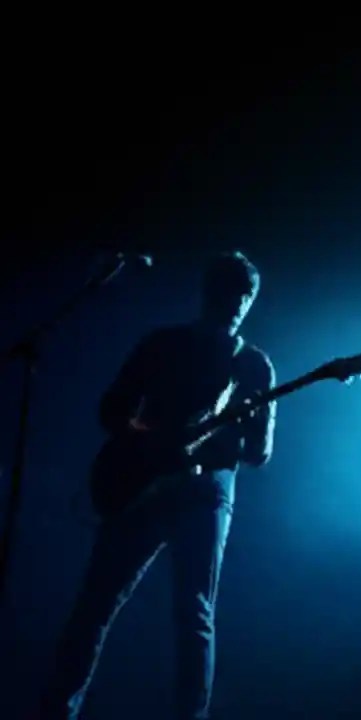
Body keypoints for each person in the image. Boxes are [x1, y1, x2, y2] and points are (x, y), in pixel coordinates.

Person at [38, 251, 276, 719]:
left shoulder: (253, 366)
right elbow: (111, 410)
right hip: (141, 487)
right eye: (230, 291)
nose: (238, 302)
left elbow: (257, 454)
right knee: (95, 606)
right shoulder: (163, 344)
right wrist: (151, 442)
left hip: (204, 495)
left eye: (246, 295)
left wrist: (241, 423)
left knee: (193, 615)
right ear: (209, 292)